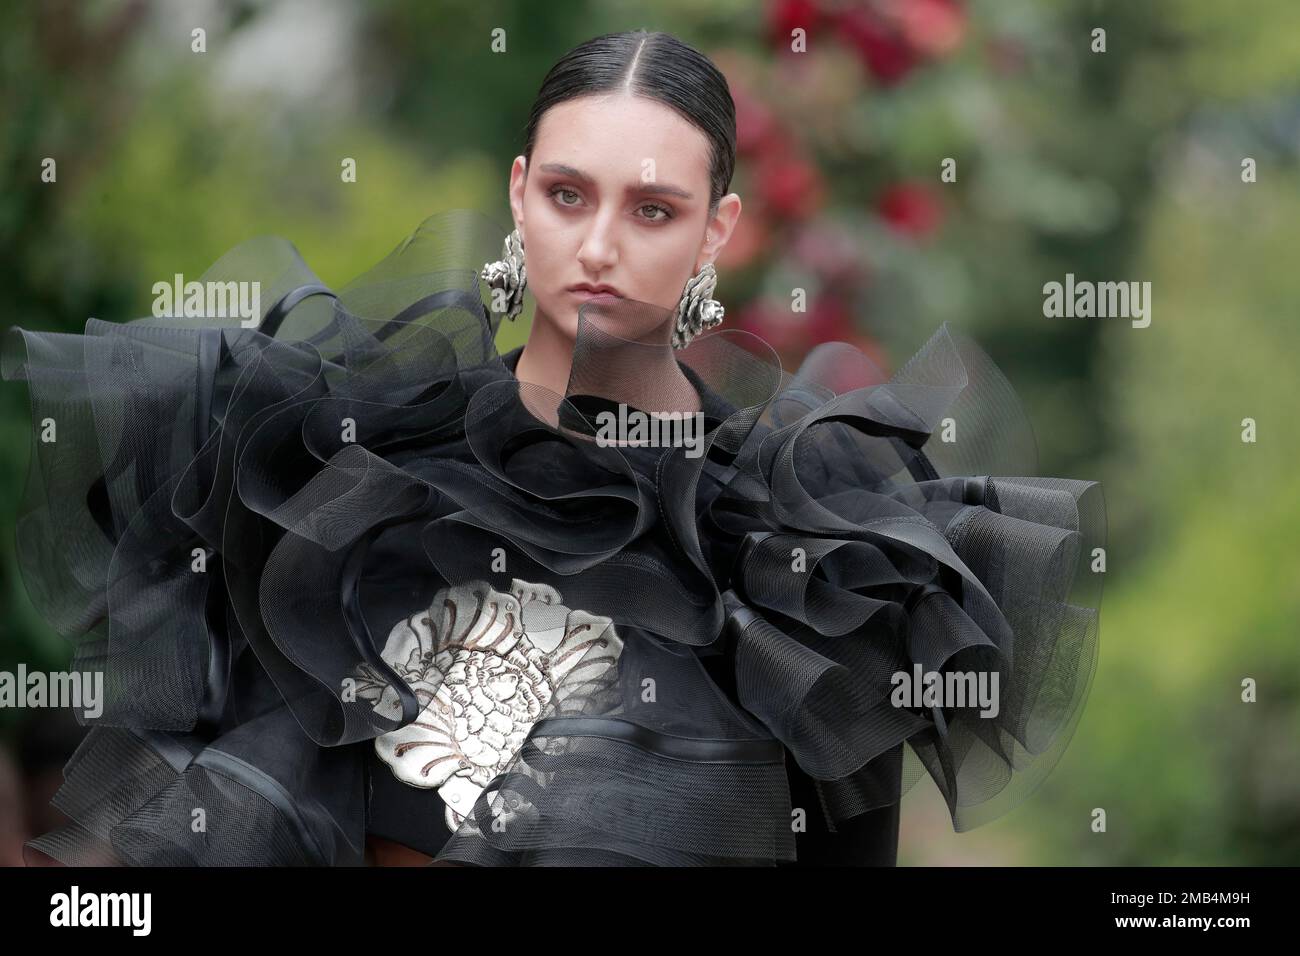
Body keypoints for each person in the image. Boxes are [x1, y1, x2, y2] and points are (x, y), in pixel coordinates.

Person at [1, 30, 1104, 867]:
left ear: (717, 230)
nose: (600, 246)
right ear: (519, 195)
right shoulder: (332, 485)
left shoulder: (817, 562)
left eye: (655, 209)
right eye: (569, 195)